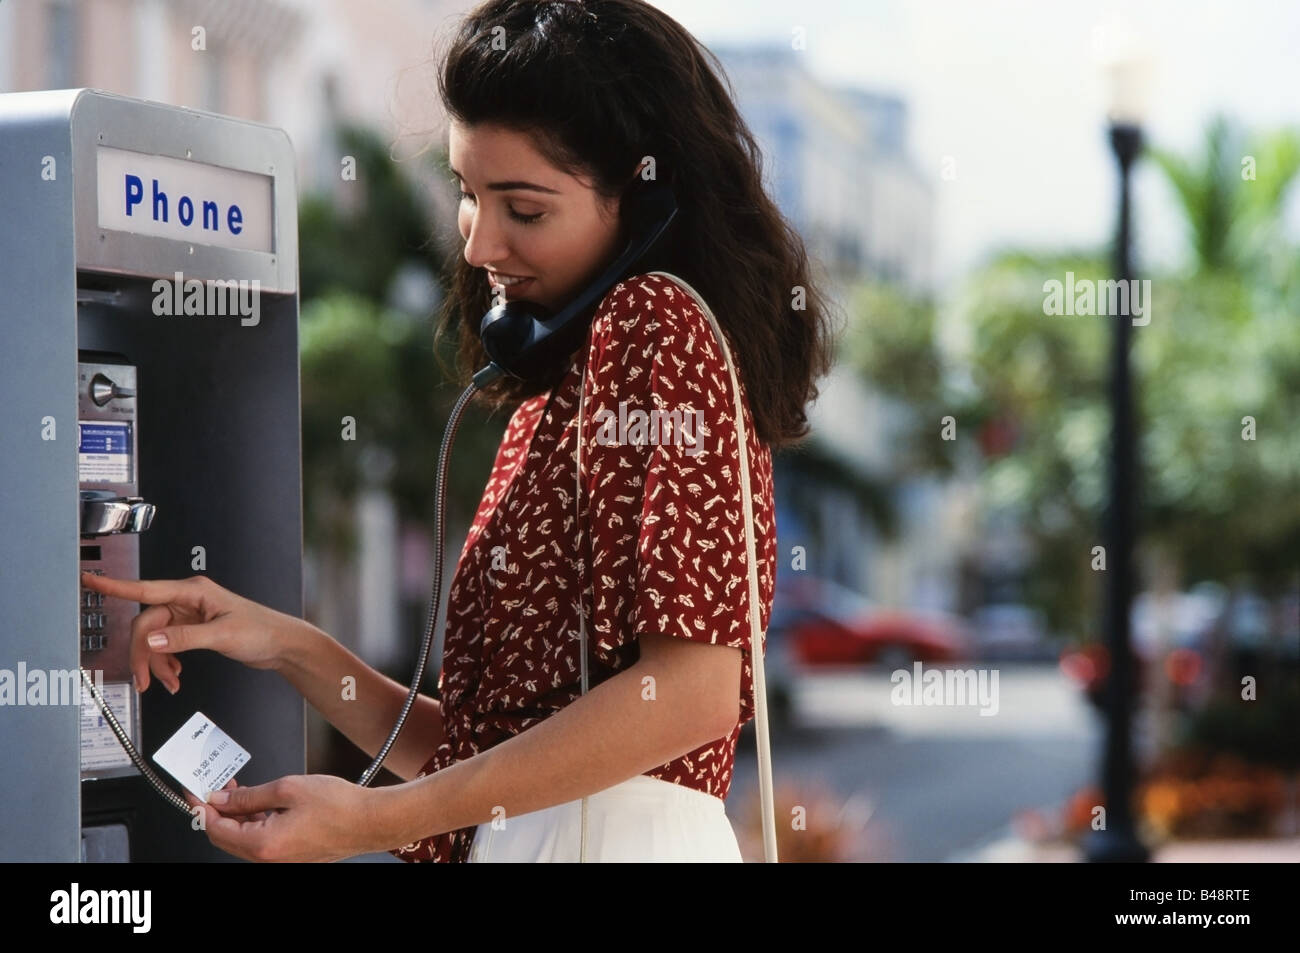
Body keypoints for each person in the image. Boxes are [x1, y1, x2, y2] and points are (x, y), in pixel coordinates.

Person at [80, 0, 836, 863]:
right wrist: (285, 644)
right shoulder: (552, 403)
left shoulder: (652, 320)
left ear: (645, 204)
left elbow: (692, 696)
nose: (479, 245)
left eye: (525, 209)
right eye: (469, 195)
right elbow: (483, 759)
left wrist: (376, 821)